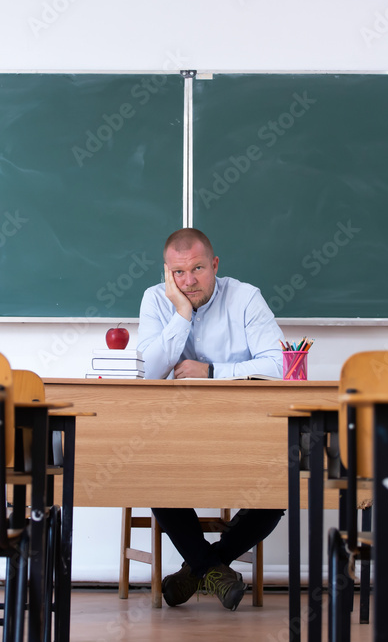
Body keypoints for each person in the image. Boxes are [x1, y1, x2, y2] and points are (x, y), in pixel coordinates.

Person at [137, 227, 286, 610]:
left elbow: (278, 365)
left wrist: (212, 371)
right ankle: (213, 567)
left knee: (281, 484)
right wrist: (182, 312)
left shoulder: (246, 297)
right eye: (179, 273)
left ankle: (202, 567)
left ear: (215, 264)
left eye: (199, 269)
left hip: (243, 430)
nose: (189, 281)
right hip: (176, 432)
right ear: (166, 273)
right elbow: (150, 371)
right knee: (150, 475)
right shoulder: (156, 300)